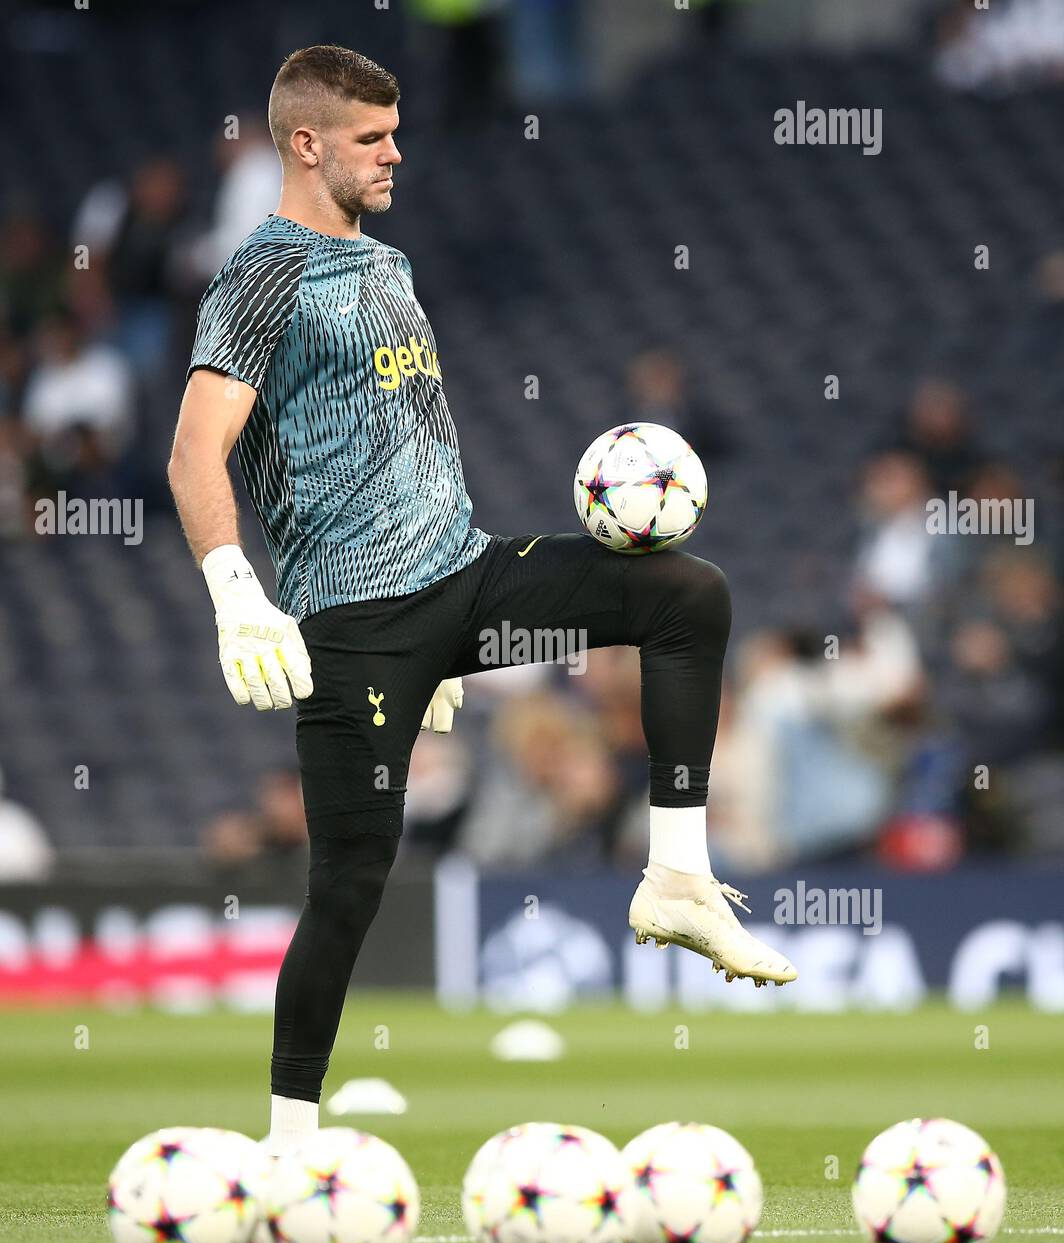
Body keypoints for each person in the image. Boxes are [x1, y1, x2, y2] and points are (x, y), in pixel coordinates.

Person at [166, 44, 796, 1158]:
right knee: (351, 884)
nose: (396, 151)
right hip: (359, 628)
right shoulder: (260, 276)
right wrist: (235, 588)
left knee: (686, 596)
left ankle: (677, 876)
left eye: (395, 131)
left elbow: (406, 443)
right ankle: (285, 1140)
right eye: (372, 137)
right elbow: (192, 453)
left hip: (465, 584)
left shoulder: (391, 266)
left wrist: (457, 653)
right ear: (306, 145)